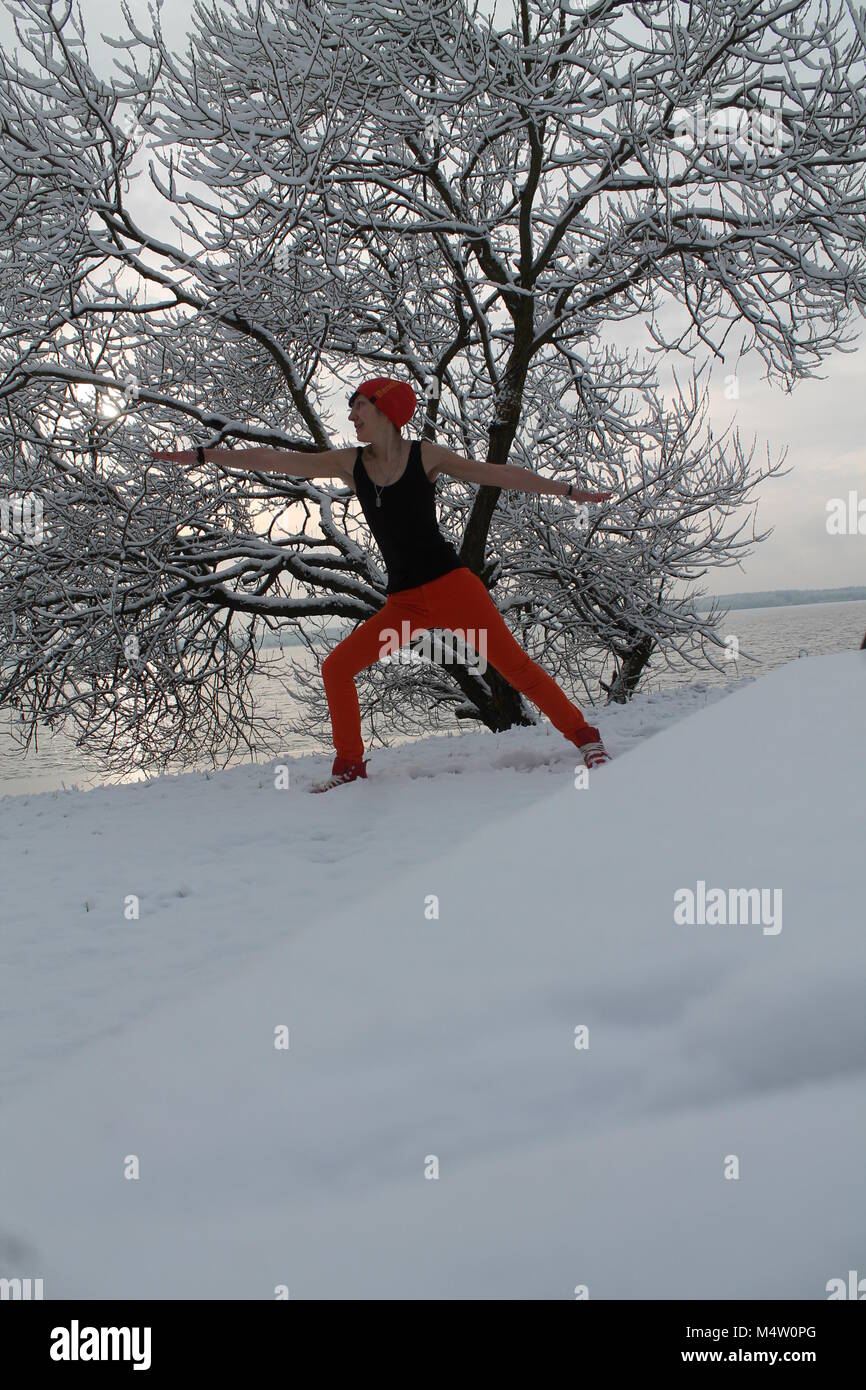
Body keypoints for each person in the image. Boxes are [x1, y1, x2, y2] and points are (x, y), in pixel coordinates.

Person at [152, 377, 613, 792]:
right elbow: (278, 459)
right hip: (406, 607)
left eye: (358, 407)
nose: (351, 416)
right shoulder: (348, 463)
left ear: (385, 409)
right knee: (337, 668)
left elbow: (497, 474)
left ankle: (586, 738)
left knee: (516, 670)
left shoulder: (424, 456)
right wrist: (202, 455)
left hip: (455, 589)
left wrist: (566, 491)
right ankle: (350, 766)